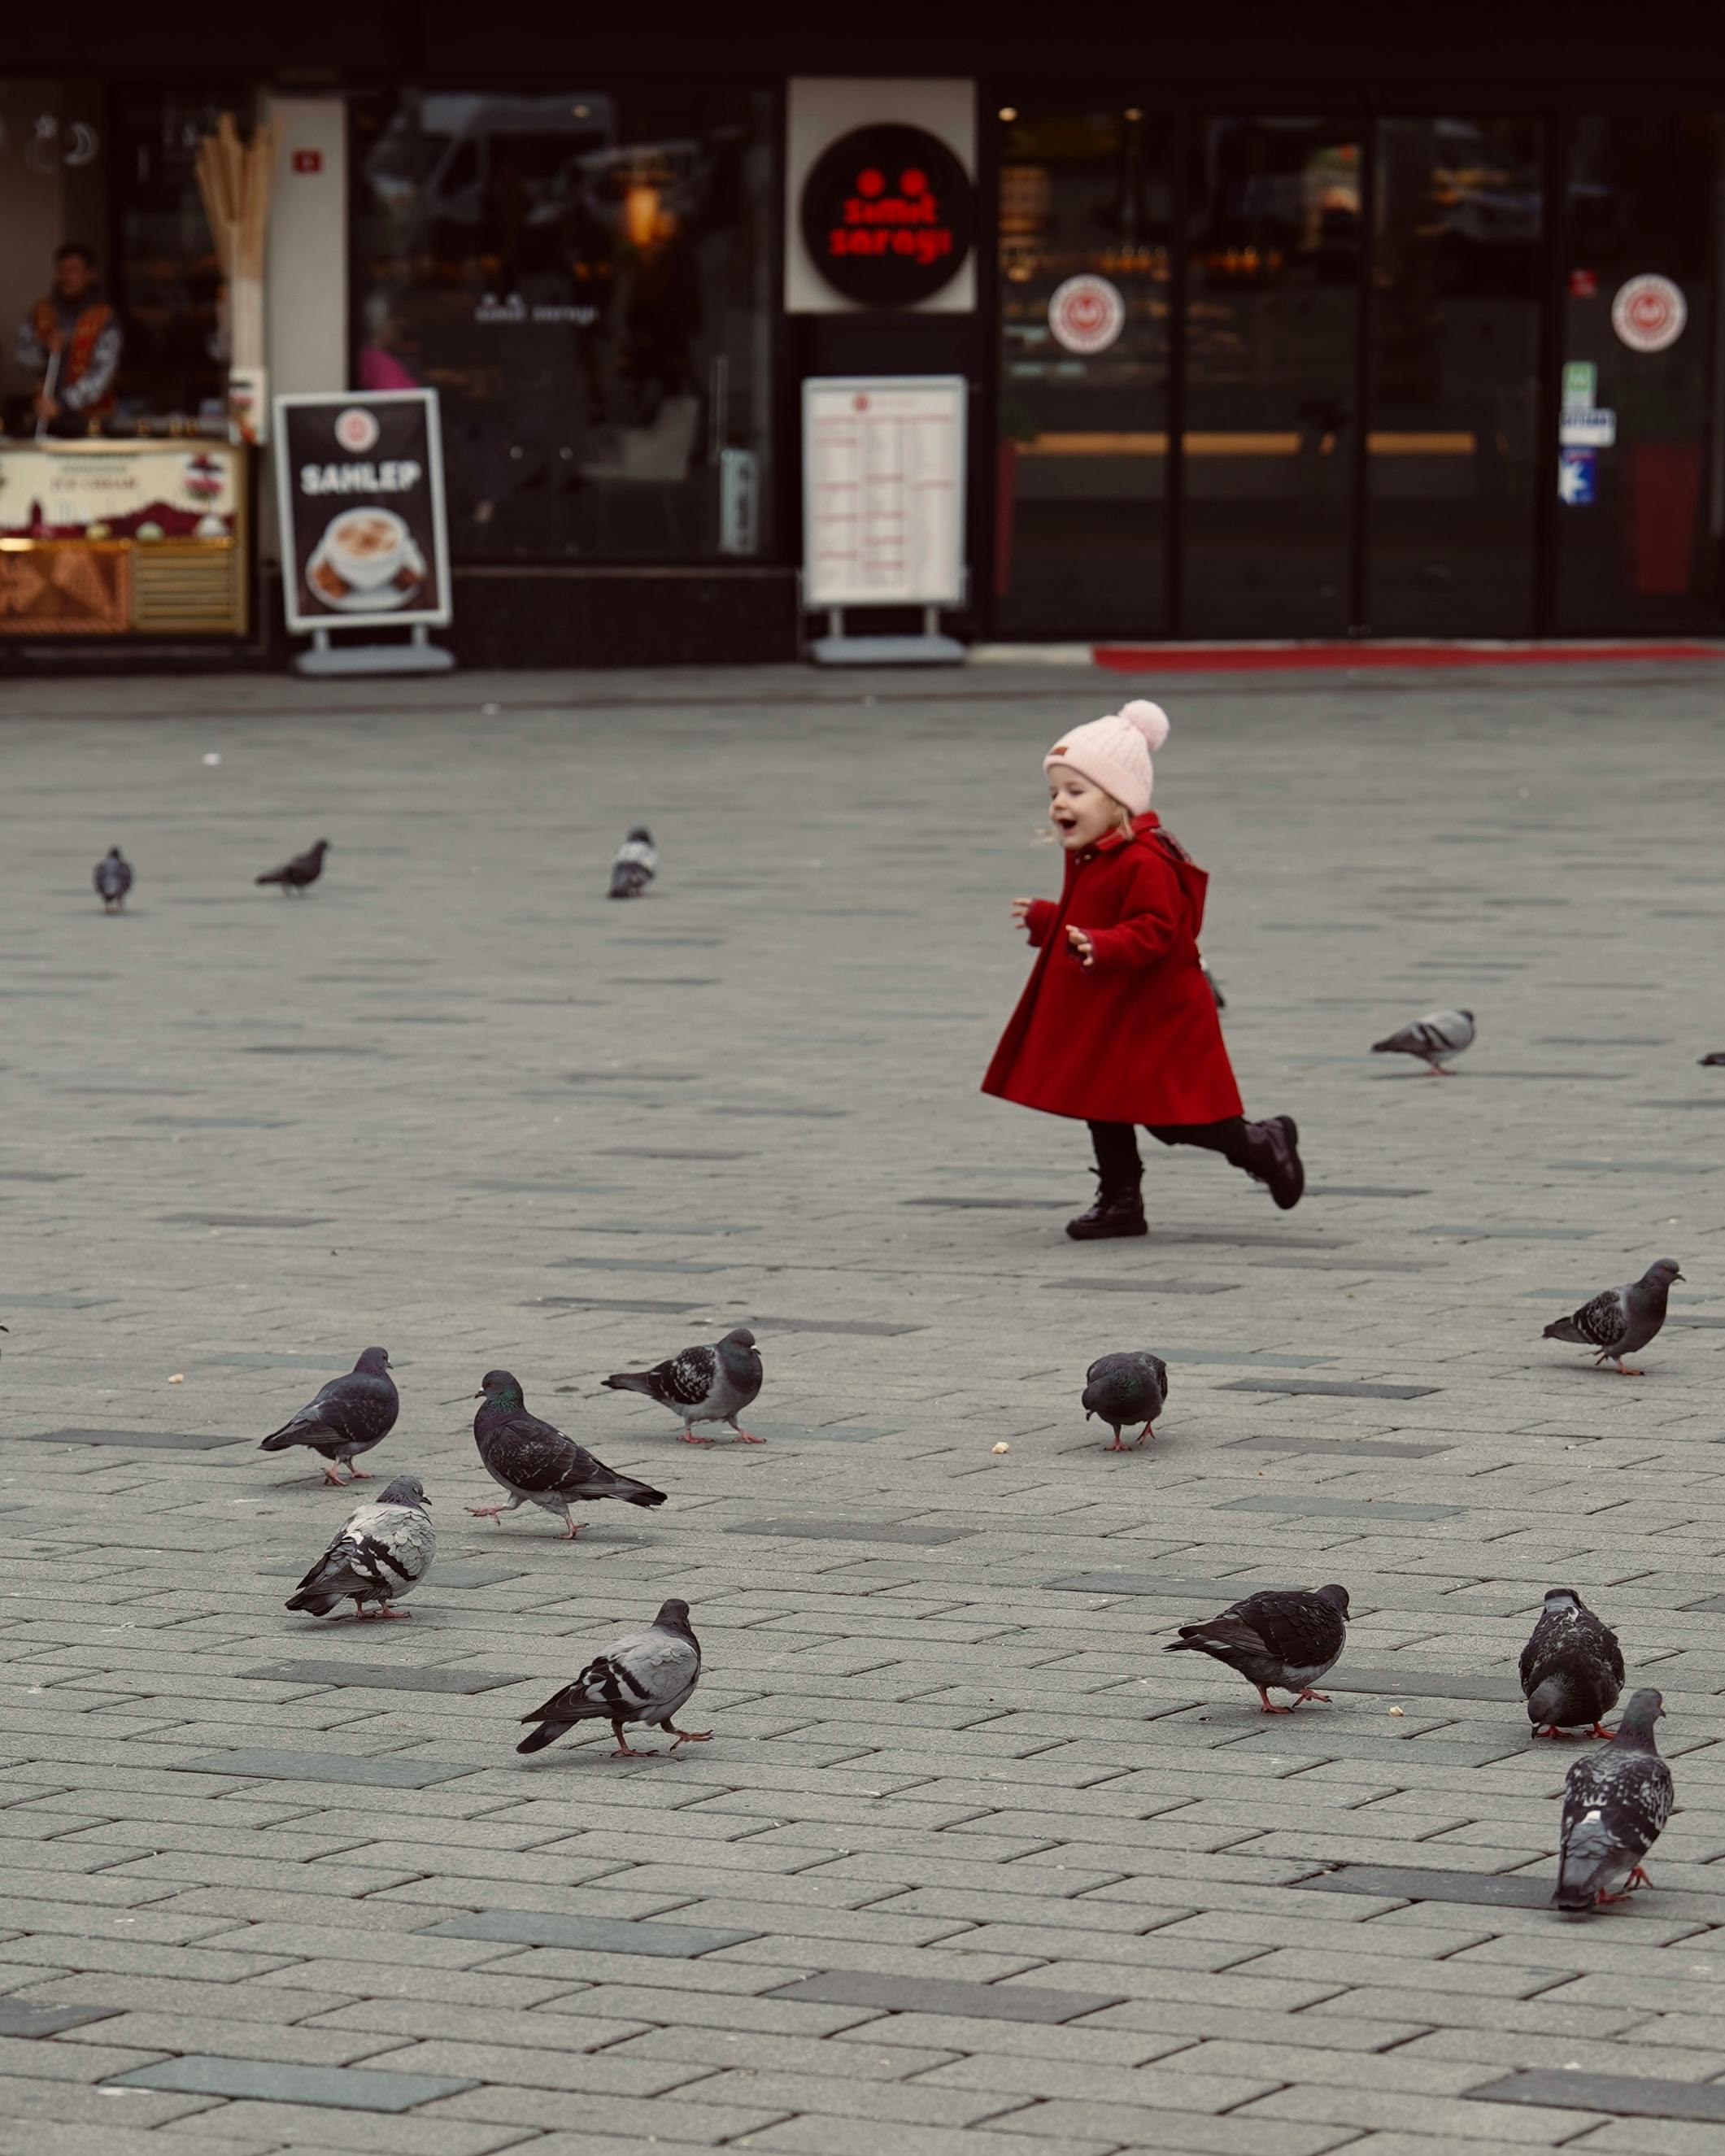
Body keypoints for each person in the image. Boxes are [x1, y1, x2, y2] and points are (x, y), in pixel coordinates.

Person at [981, 699, 1305, 1238]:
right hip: (1115, 1006)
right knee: (1101, 1100)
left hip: (1158, 1012)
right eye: (1054, 792)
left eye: (1075, 791)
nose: (1059, 802)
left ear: (1118, 801)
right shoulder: (1096, 853)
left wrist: (1103, 945)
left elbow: (1157, 928)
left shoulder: (1143, 859)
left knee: (1173, 1116)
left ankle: (1260, 1143)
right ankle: (1119, 1199)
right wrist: (1052, 922)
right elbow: (1096, 916)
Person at [15, 242, 122, 435]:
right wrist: (44, 349)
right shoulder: (42, 312)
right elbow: (22, 358)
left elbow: (103, 373)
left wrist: (62, 404)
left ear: (90, 274)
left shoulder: (104, 318)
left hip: (90, 424)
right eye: (62, 270)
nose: (66, 276)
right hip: (46, 421)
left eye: (73, 270)